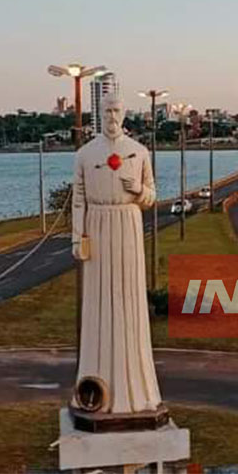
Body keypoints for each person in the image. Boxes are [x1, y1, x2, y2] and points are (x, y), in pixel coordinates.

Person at [71, 94, 161, 414]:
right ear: (100, 113)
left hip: (127, 223)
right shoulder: (85, 153)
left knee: (128, 293)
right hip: (97, 223)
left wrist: (136, 190)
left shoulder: (139, 152)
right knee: (96, 297)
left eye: (116, 110)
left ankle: (136, 387)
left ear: (124, 114)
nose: (111, 115)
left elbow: (152, 196)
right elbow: (78, 199)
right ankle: (94, 377)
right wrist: (76, 236)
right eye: (106, 110)